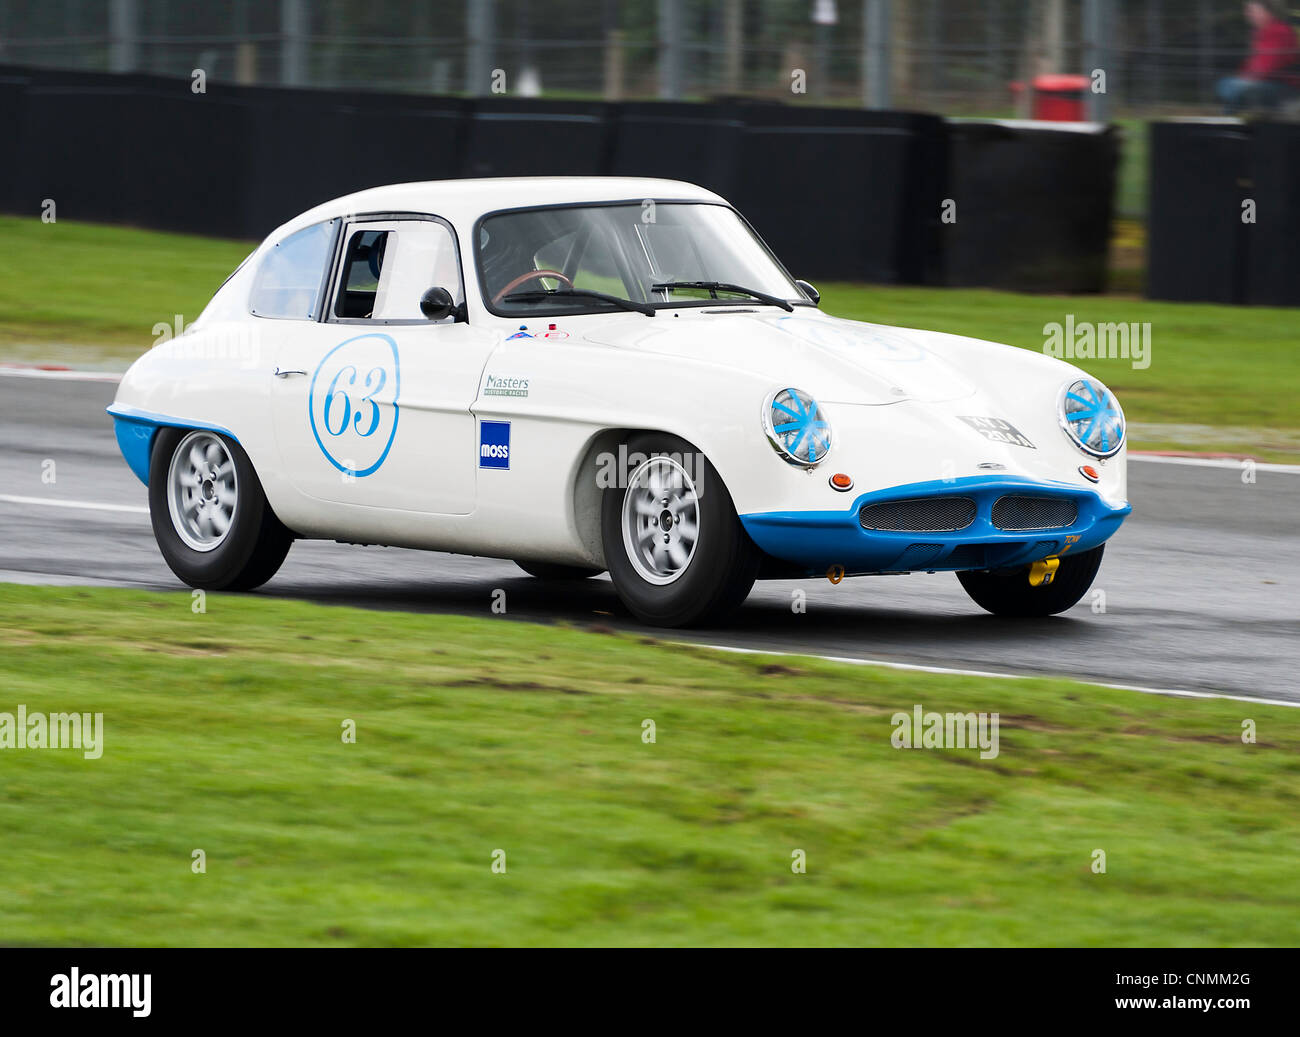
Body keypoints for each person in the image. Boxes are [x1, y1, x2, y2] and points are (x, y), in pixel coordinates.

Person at [1217, 1, 1300, 113]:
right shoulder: (1263, 32)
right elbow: (1253, 65)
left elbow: (1265, 66)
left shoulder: (1278, 31)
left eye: (1251, 10)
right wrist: (1243, 78)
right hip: (1270, 84)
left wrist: (1245, 79)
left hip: (1285, 88)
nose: (1247, 14)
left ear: (1265, 11)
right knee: (1228, 85)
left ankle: (1230, 117)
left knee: (1231, 87)